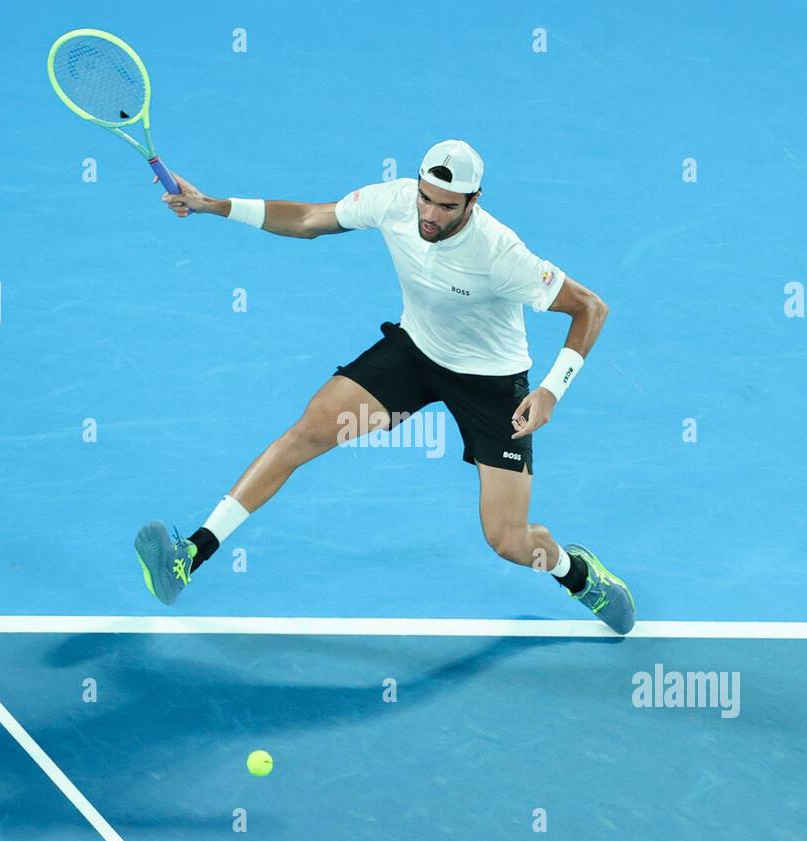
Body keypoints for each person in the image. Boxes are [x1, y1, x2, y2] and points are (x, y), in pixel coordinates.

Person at [134, 140, 635, 633]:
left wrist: (550, 390)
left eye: (447, 206)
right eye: (426, 198)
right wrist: (213, 206)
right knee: (306, 432)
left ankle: (578, 575)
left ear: (473, 202)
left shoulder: (500, 252)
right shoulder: (394, 201)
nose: (431, 214)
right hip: (415, 355)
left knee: (507, 540)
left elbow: (590, 307)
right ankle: (192, 554)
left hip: (491, 384)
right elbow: (310, 221)